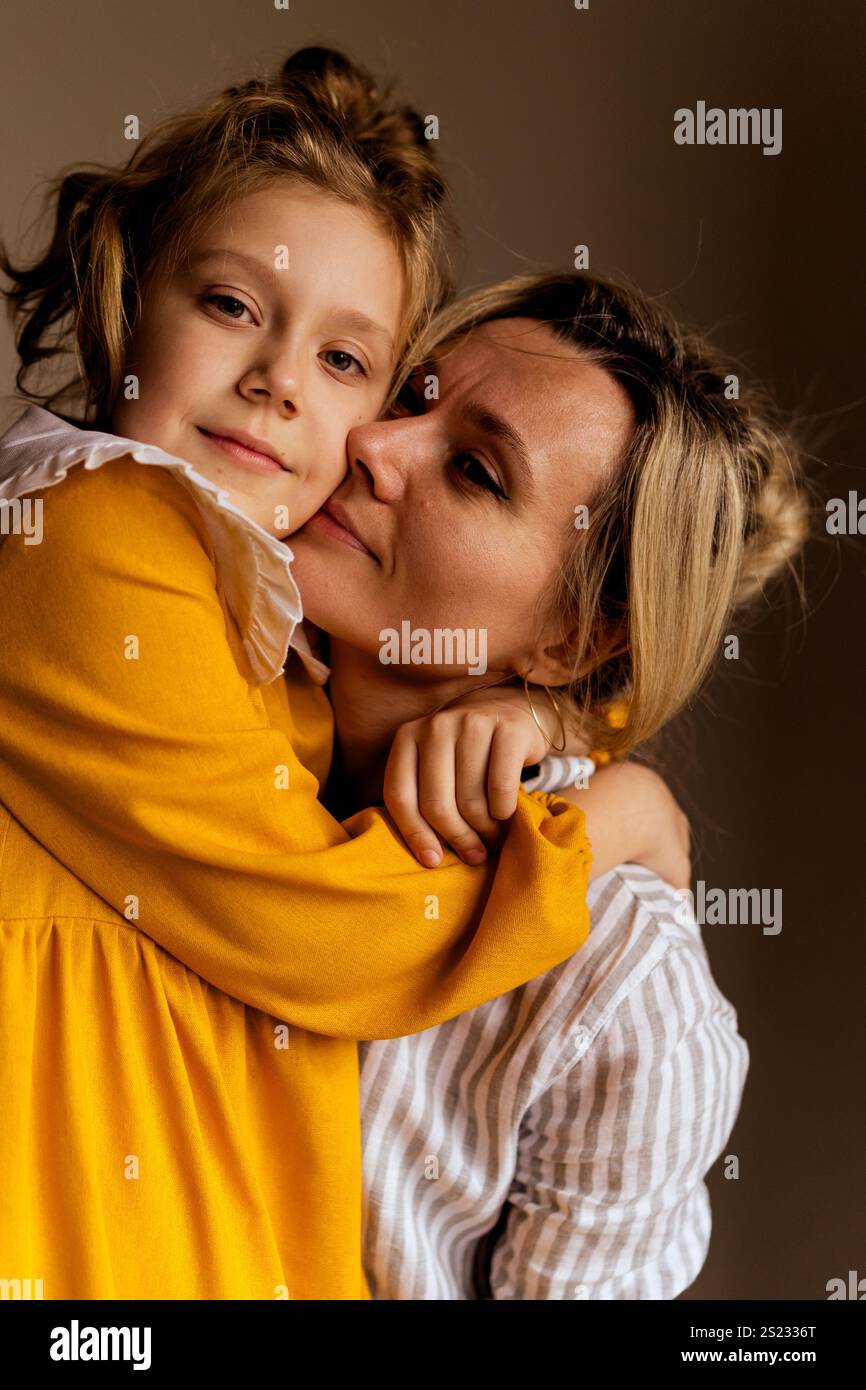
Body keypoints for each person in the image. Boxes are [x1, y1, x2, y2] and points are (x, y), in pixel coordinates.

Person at [0, 50, 683, 1300]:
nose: (292, 396)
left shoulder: (261, 613)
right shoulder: (92, 536)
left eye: (347, 364)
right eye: (228, 306)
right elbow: (320, 930)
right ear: (126, 295)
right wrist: (612, 819)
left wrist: (547, 725)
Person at [277, 270, 811, 1298]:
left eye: (474, 470)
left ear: (574, 636)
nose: (373, 448)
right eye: (407, 396)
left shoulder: (615, 984)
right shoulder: (178, 679)